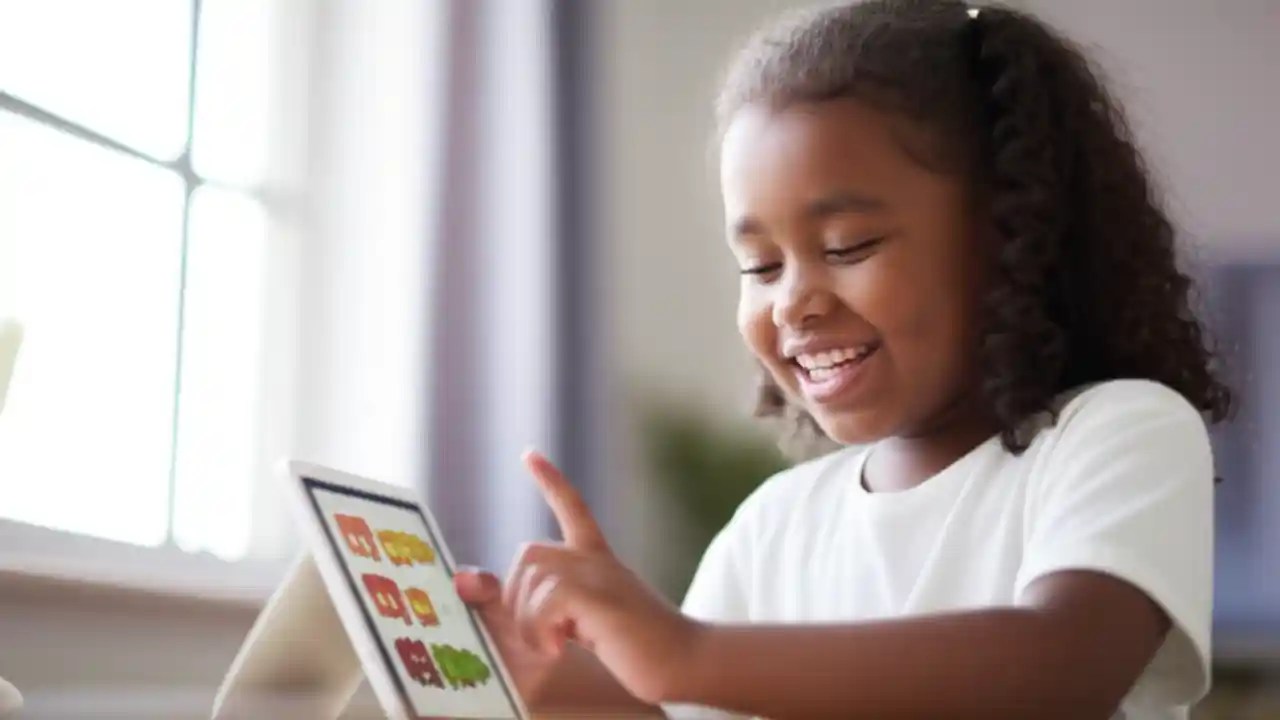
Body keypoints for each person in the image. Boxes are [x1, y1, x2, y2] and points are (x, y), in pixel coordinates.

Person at [456, 1, 1233, 717]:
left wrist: (685, 653)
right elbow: (681, 706)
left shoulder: (1121, 432)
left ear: (1014, 237)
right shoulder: (776, 525)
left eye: (846, 247)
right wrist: (540, 676)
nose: (792, 302)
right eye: (760, 267)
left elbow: (1062, 667)